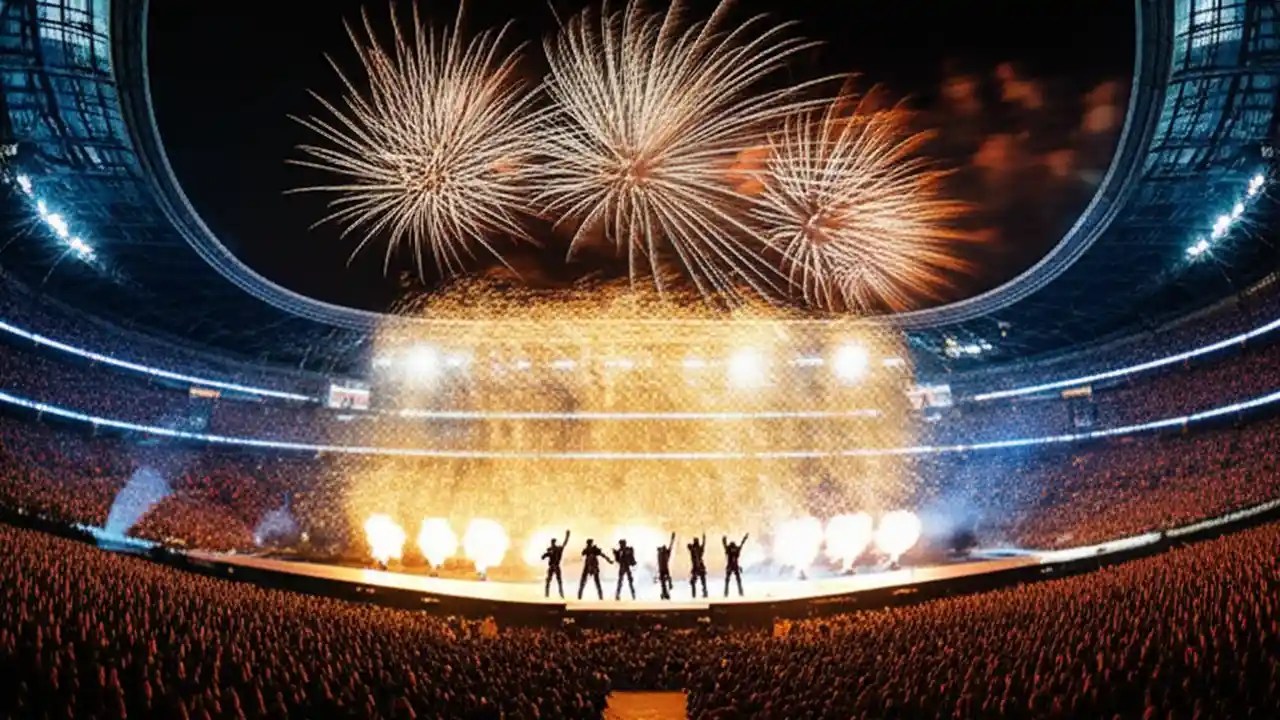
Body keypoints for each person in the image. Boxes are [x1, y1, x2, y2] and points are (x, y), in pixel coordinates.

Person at [541, 530, 570, 598]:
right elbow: (543, 557)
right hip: (553, 566)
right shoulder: (552, 550)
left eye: (553, 543)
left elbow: (564, 544)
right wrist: (546, 554)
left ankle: (558, 594)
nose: (552, 544)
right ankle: (548, 594)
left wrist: (567, 536)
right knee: (552, 580)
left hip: (555, 566)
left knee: (556, 580)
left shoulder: (556, 549)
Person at [723, 533, 748, 597]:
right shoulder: (736, 549)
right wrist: (745, 538)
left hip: (730, 566)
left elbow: (724, 545)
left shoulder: (729, 549)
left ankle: (726, 593)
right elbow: (742, 544)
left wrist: (724, 540)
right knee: (737, 580)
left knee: (728, 580)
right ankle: (740, 592)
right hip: (735, 566)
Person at [688, 532, 707, 598]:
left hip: (697, 567)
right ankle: (703, 593)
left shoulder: (695, 549)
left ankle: (697, 595)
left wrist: (704, 538)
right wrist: (704, 538)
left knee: (696, 582)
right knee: (700, 581)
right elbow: (689, 546)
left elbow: (689, 546)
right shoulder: (696, 549)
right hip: (699, 567)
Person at [656, 532, 675, 600]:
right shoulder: (661, 553)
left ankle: (666, 592)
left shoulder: (665, 553)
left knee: (664, 582)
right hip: (662, 570)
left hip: (664, 569)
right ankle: (665, 593)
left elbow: (670, 546)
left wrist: (672, 539)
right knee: (663, 583)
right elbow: (670, 546)